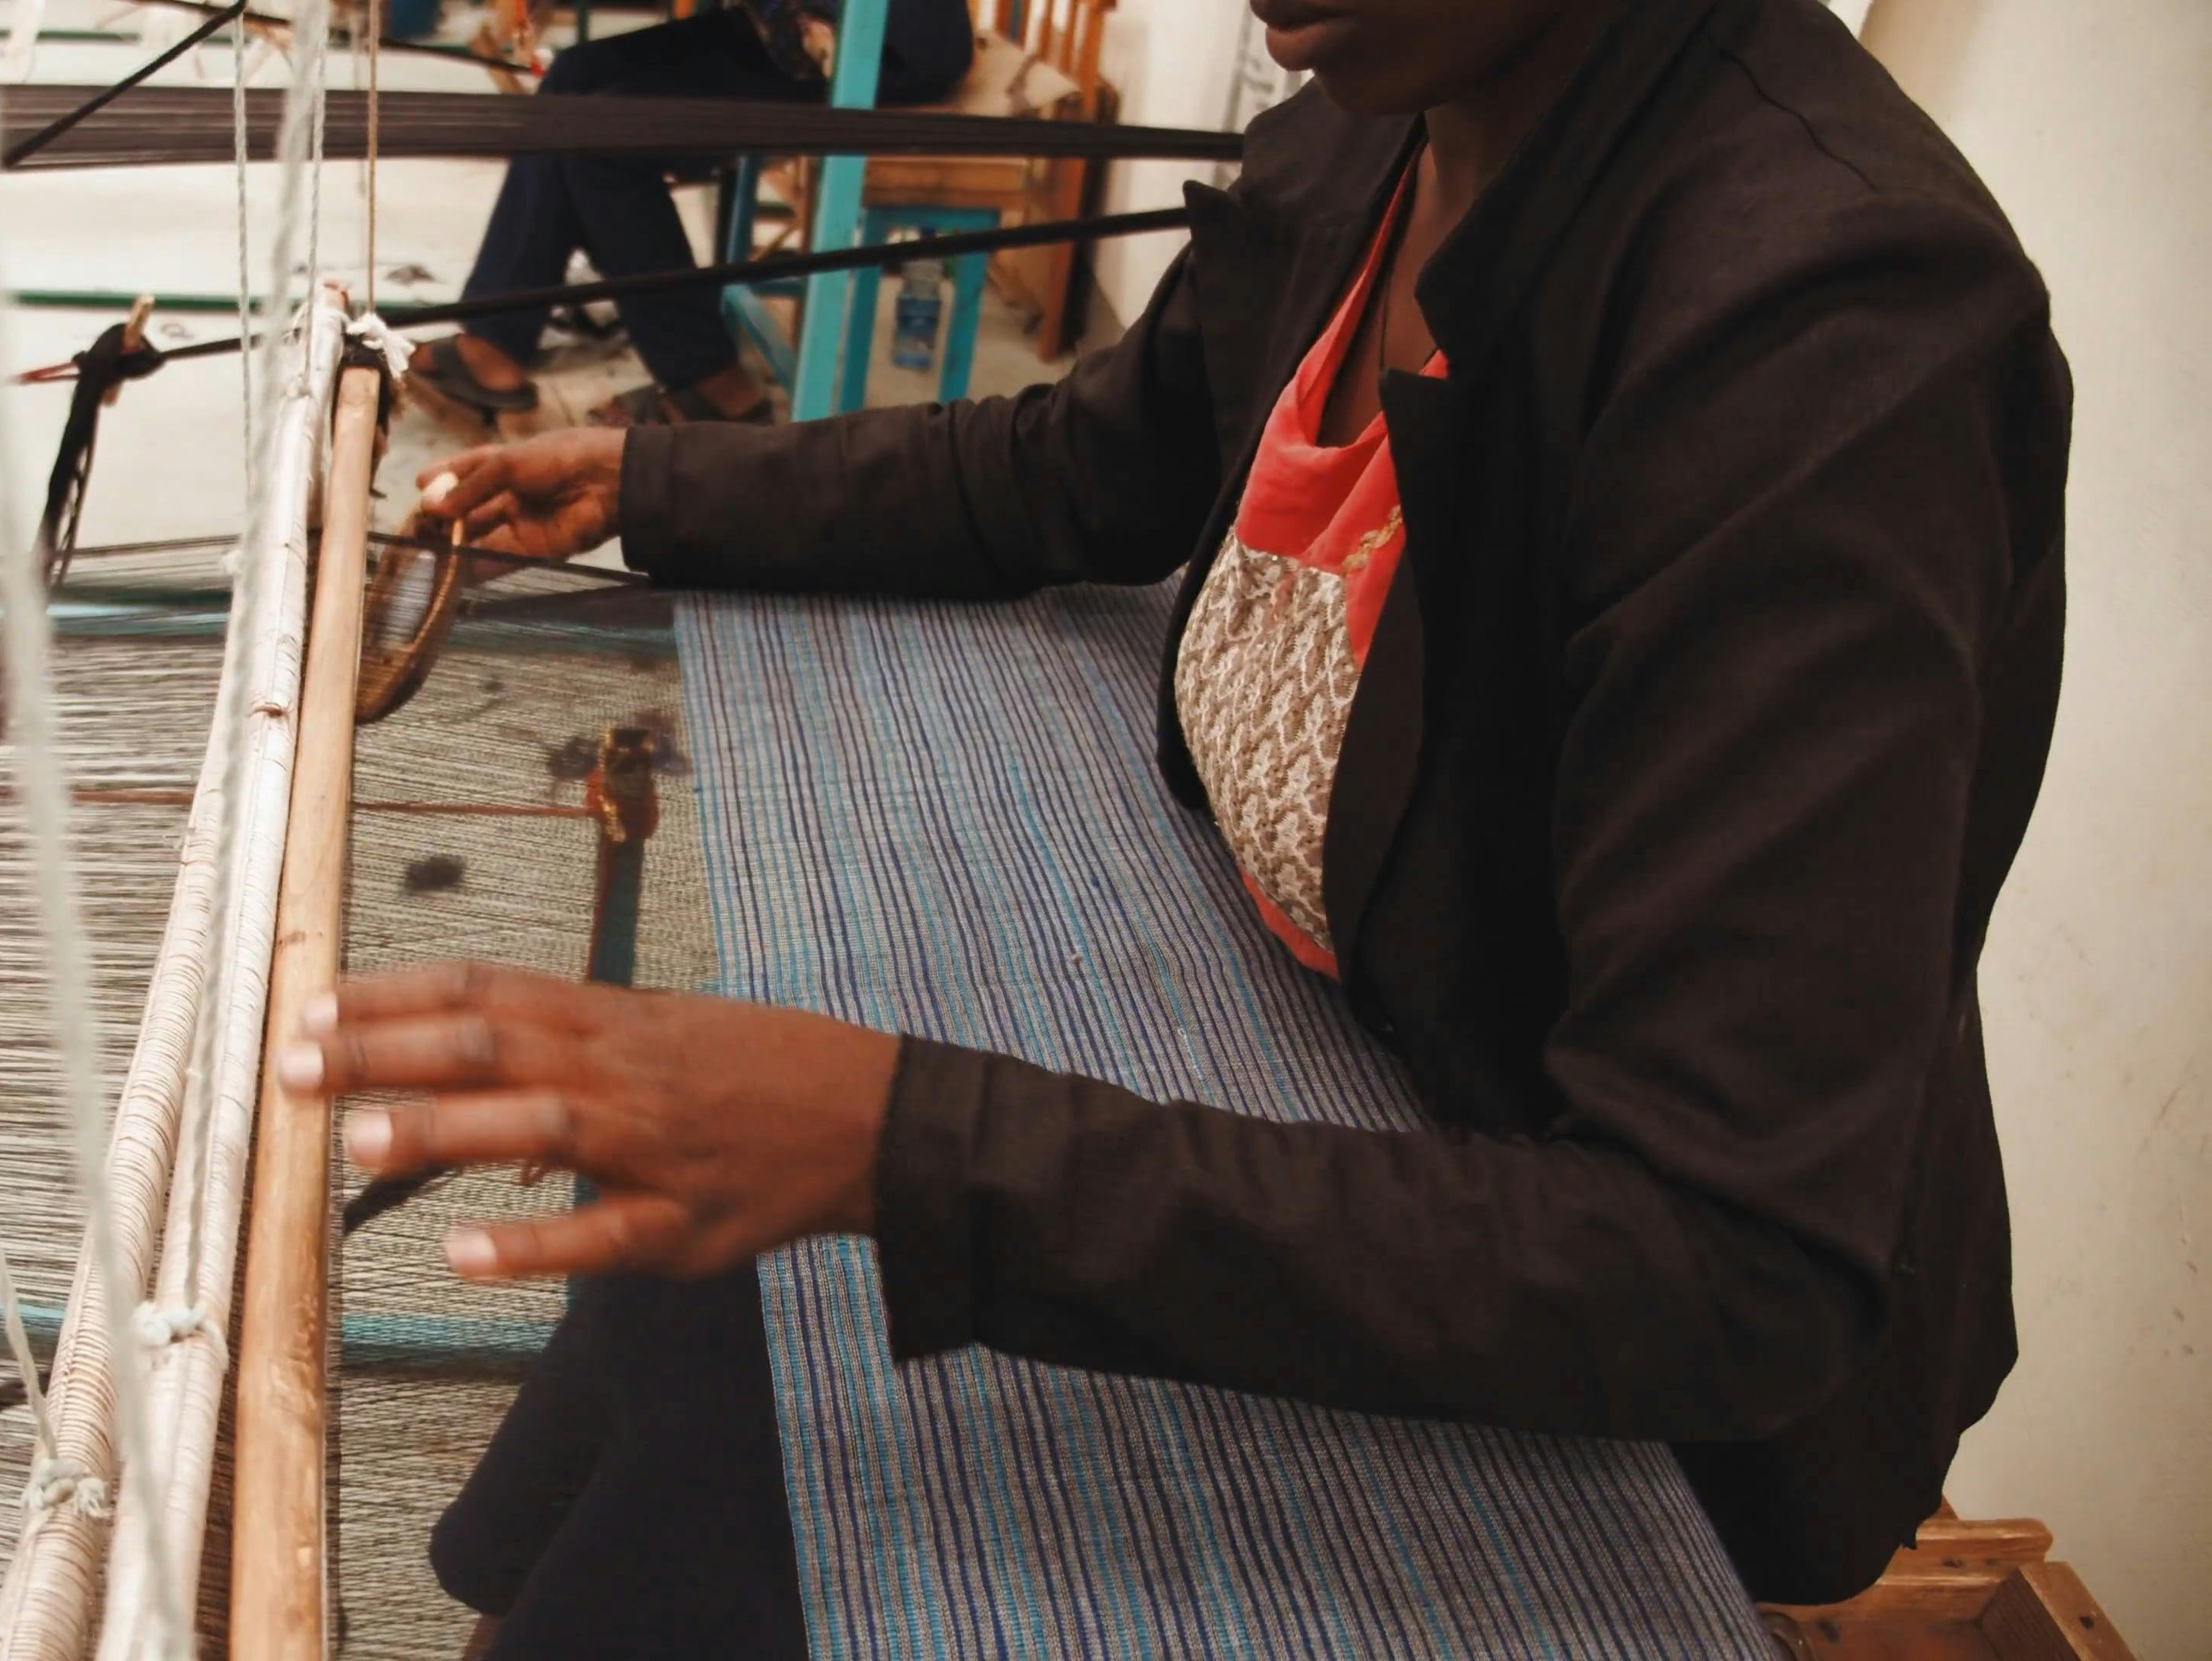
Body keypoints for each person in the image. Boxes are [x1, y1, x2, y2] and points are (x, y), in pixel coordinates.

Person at [289, 0, 2074, 1652]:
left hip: (1598, 1349)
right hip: (1327, 1028)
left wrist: (904, 1142)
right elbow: (1084, 468)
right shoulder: (1380, 123)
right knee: (727, 1271)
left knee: (800, 1308)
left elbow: (1720, 1256)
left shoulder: (1826, 333)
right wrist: (663, 477)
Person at [406, 0, 974, 427]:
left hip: (873, 44)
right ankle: (496, 343)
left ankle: (716, 388)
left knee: (603, 140)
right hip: (793, 24)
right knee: (572, 79)